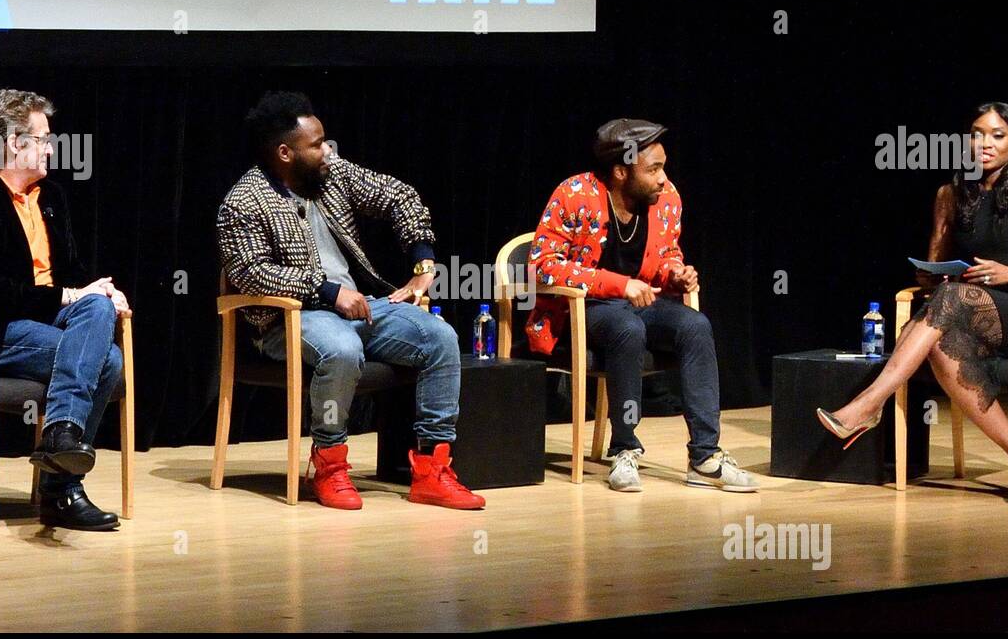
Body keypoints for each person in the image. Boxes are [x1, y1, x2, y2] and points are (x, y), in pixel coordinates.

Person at [216, 91, 484, 510]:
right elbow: (251, 271)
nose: (327, 151)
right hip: (288, 320)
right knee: (342, 349)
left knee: (439, 337)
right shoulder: (244, 201)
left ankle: (432, 469)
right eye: (316, 144)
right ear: (285, 152)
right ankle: (329, 466)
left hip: (358, 308)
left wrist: (422, 262)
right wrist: (327, 292)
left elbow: (399, 196)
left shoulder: (332, 175)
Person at [817, 101, 1008, 502]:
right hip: (968, 309)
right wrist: (929, 274)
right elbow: (934, 264)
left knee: (951, 297)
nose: (985, 144)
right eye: (977, 134)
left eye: (997, 136)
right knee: (940, 332)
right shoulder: (950, 194)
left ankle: (870, 403)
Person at [525, 118, 757, 493]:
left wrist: (676, 274)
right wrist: (620, 285)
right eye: (653, 169)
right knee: (626, 328)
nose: (663, 178)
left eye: (663, 166)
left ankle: (705, 456)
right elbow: (543, 267)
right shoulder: (574, 194)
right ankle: (625, 449)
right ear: (620, 171)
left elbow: (666, 256)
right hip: (585, 309)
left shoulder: (666, 199)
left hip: (643, 302)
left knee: (696, 325)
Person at [0, 89, 130, 530]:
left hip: (50, 326)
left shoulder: (52, 198)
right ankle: (61, 489)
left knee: (99, 311)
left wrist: (101, 291)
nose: (51, 147)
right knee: (111, 361)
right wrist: (68, 296)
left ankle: (59, 441)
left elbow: (75, 273)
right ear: (12, 145)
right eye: (43, 139)